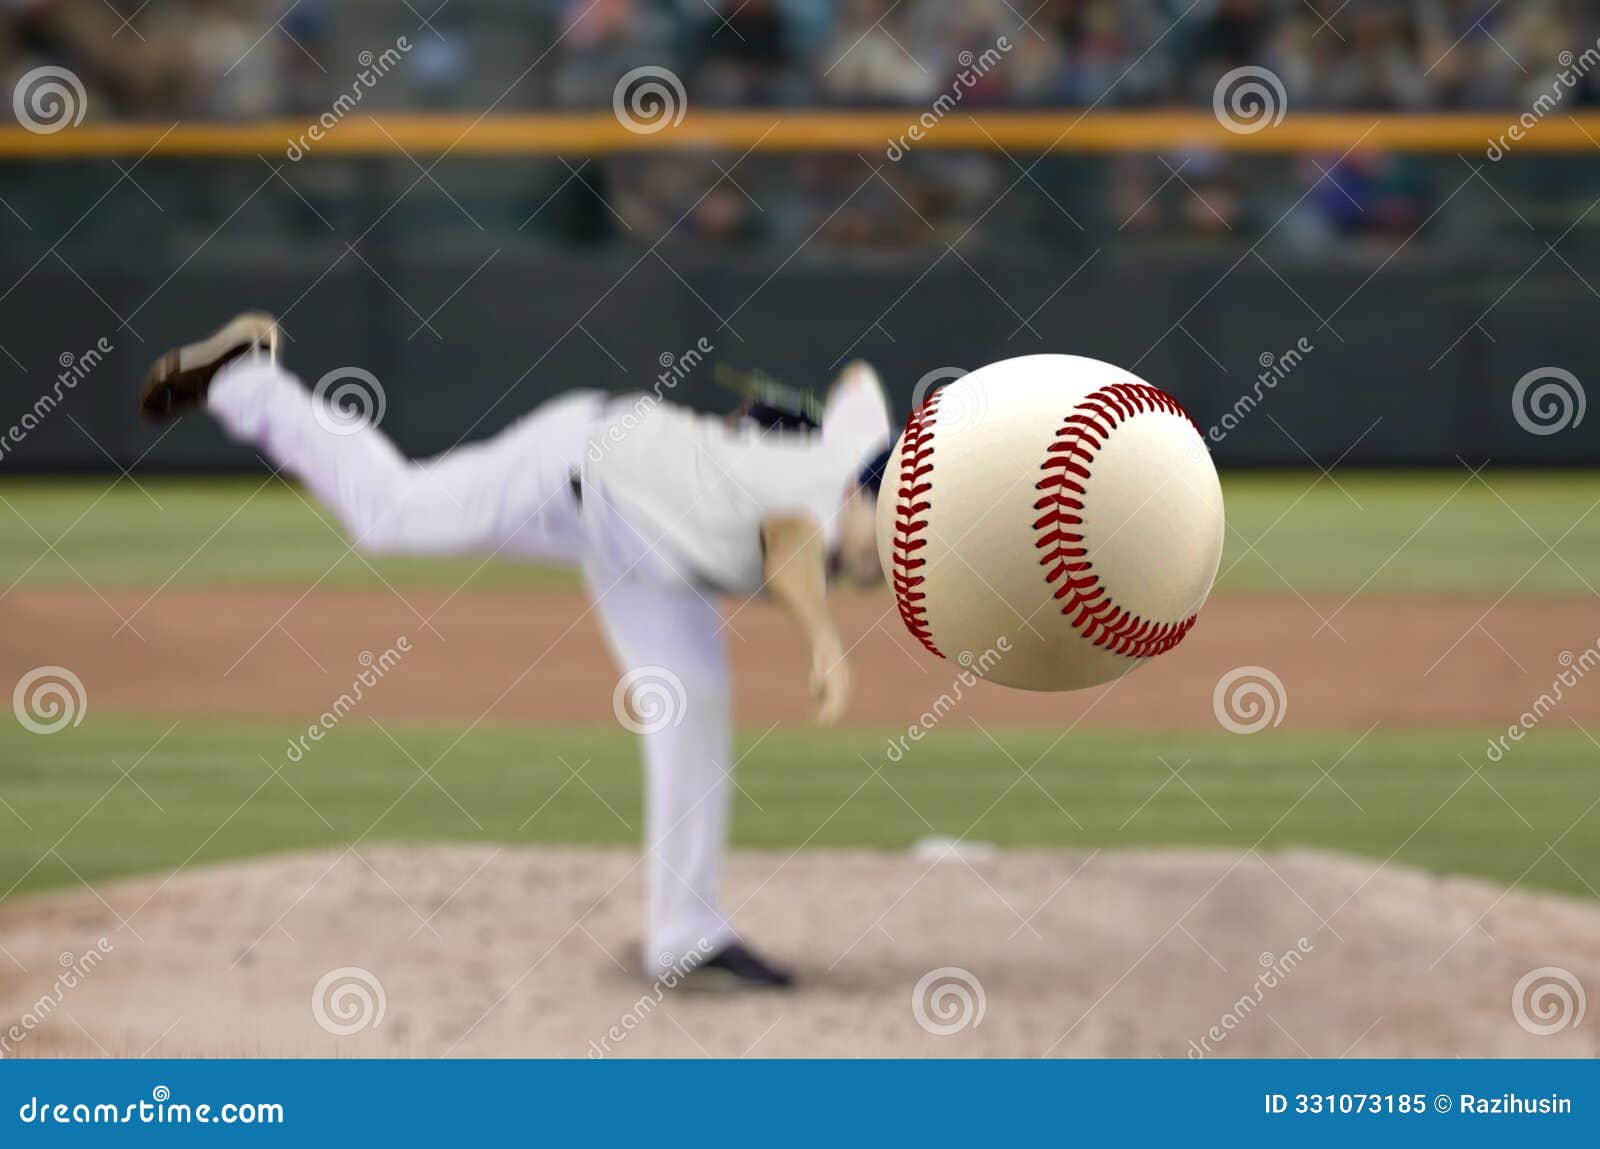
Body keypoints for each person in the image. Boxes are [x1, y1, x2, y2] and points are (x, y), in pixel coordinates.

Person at [138, 313, 894, 991]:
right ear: (856, 497)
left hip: (653, 546)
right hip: (579, 467)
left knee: (691, 695)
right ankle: (246, 380)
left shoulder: (867, 459)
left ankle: (685, 936)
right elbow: (788, 541)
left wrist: (836, 420)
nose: (878, 565)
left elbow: (861, 387)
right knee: (390, 513)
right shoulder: (827, 499)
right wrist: (824, 642)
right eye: (879, 543)